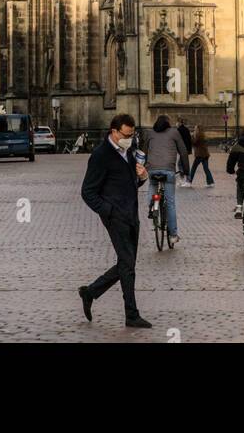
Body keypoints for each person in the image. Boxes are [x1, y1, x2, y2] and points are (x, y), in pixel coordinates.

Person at [78, 114, 151, 329]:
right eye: (126, 135)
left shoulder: (129, 150)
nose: (130, 139)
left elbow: (129, 184)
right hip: (115, 217)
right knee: (128, 265)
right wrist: (107, 210)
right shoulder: (100, 155)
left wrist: (143, 177)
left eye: (132, 135)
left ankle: (90, 292)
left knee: (126, 264)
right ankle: (131, 314)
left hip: (131, 214)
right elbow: (87, 191)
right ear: (114, 131)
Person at [143, 115, 189, 242]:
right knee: (170, 203)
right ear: (168, 124)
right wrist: (186, 170)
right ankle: (173, 235)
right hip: (168, 170)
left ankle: (152, 207)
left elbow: (143, 152)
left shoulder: (150, 133)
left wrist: (143, 167)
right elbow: (183, 152)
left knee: (152, 185)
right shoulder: (174, 132)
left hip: (152, 169)